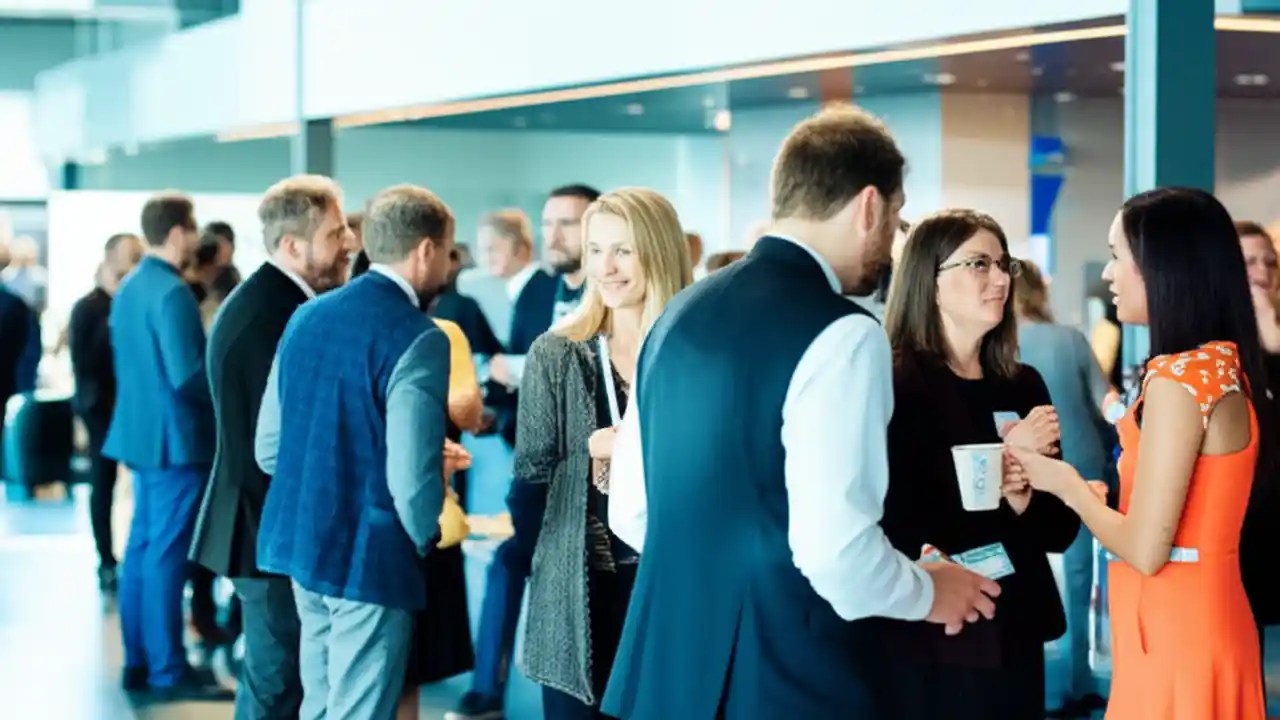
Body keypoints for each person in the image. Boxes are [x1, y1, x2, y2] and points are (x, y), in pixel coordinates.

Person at [602, 105, 1000, 719]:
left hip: (665, 666)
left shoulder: (676, 315)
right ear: (870, 205)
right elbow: (835, 552)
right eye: (895, 222)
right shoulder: (842, 332)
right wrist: (928, 592)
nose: (891, 245)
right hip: (785, 673)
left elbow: (630, 510)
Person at [1008, 187, 1272, 719]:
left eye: (1116, 256)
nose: (1108, 275)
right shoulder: (1222, 365)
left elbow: (1148, 549)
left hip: (1179, 628)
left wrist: (1064, 484)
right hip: (1201, 617)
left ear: (1163, 266)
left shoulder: (1181, 379)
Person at [255, 184, 455, 719]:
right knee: (360, 710)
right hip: (371, 552)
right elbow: (410, 480)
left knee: (319, 705)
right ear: (426, 250)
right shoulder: (419, 336)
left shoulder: (307, 315)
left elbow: (269, 447)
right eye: (448, 252)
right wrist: (424, 534)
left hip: (302, 539)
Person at [879, 211, 1079, 719]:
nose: (1000, 278)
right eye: (978, 263)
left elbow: (1060, 529)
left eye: (1003, 263)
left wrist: (1023, 493)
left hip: (1017, 624)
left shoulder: (1022, 384)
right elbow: (896, 520)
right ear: (931, 281)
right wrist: (1010, 463)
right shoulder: (895, 383)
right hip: (936, 632)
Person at [519, 188, 693, 717]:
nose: (606, 267)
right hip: (582, 594)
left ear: (658, 253)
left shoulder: (693, 351)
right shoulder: (557, 352)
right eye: (596, 250)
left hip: (671, 588)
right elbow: (530, 471)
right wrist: (587, 450)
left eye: (623, 251)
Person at [189, 175, 353, 719]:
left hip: (260, 520)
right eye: (336, 232)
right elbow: (282, 443)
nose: (350, 241)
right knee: (278, 678)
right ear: (292, 245)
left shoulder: (272, 302)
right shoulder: (275, 315)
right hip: (261, 522)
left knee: (277, 675)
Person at [449, 183, 601, 720]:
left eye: (568, 223)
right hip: (538, 471)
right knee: (508, 564)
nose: (553, 235)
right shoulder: (538, 293)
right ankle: (486, 689)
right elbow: (524, 388)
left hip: (596, 476)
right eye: (549, 222)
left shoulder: (608, 292)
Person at [104, 192, 227, 700]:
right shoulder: (173, 293)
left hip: (140, 434)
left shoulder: (130, 286)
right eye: (193, 230)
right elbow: (188, 376)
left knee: (142, 549)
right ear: (178, 232)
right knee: (167, 556)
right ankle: (167, 670)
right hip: (177, 440)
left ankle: (140, 660)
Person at [1012, 259, 1113, 717]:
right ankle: (1078, 683)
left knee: (1023, 568)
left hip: (1023, 470)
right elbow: (1103, 401)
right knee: (1078, 578)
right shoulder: (1070, 339)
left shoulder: (1000, 347)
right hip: (1082, 463)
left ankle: (1044, 687)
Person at [68, 233, 143, 591]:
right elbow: (86, 365)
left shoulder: (131, 303)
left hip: (130, 407)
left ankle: (131, 553)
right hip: (101, 411)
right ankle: (106, 559)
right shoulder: (89, 308)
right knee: (104, 483)